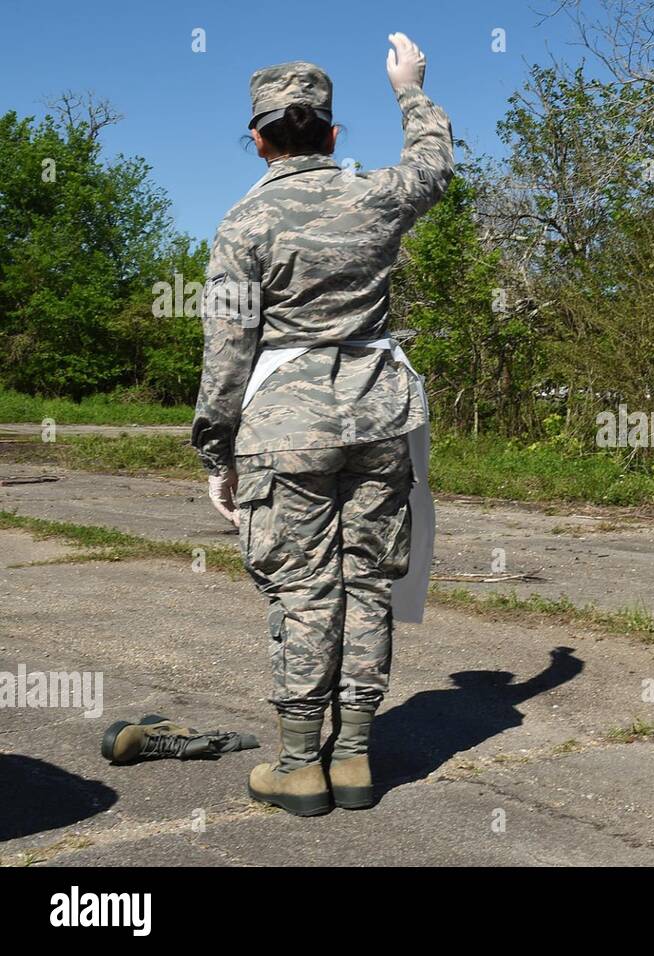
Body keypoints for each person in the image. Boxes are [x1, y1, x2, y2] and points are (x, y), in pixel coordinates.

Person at [192, 33, 453, 816]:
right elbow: (435, 167)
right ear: (333, 134)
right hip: (379, 417)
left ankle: (300, 764)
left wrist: (216, 449)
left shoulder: (243, 224)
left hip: (284, 426)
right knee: (367, 584)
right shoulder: (374, 193)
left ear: (259, 138)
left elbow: (227, 348)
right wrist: (409, 89)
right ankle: (356, 759)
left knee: (303, 591)